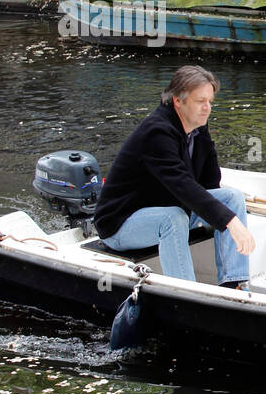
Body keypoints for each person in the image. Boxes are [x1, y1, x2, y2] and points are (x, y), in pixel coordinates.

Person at [94, 65, 255, 289]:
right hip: (121, 224)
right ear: (178, 101)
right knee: (174, 218)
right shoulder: (156, 132)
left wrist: (205, 141)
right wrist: (231, 222)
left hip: (166, 206)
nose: (207, 108)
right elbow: (183, 185)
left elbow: (209, 184)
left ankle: (234, 283)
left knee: (232, 197)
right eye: (200, 102)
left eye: (210, 102)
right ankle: (185, 292)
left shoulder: (195, 128)